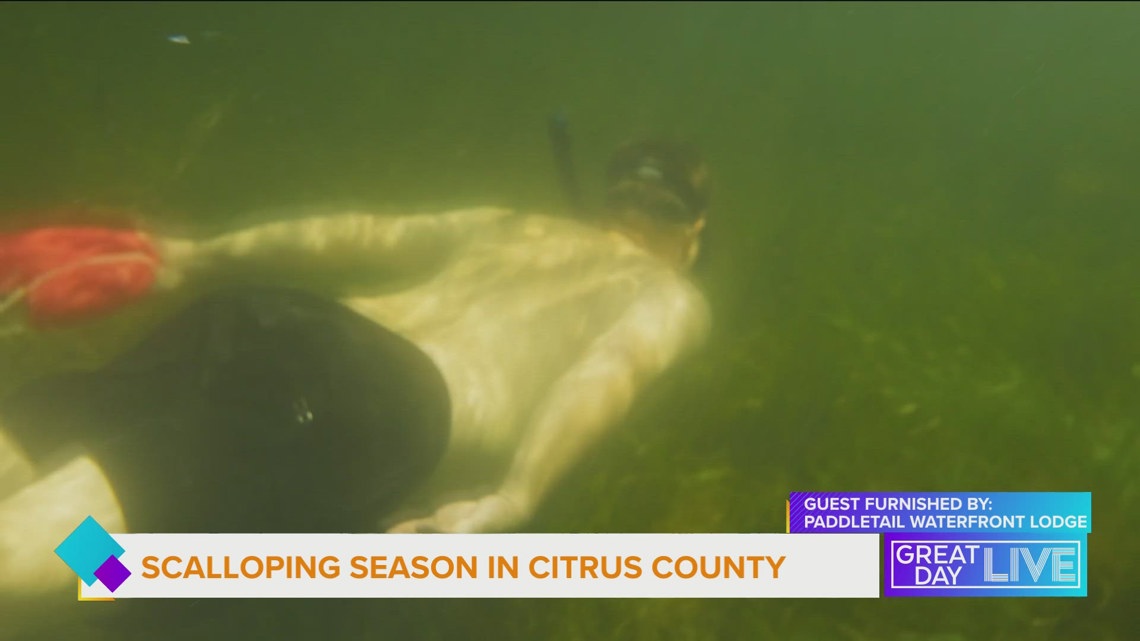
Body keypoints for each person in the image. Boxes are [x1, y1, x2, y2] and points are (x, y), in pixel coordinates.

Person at [0, 139, 712, 592]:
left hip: (265, 317)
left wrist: (193, 257)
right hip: (366, 395)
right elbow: (609, 370)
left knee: (67, 424)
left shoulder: (515, 226)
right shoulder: (668, 294)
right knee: (133, 510)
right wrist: (516, 496)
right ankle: (71, 558)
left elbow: (354, 235)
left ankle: (70, 558)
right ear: (692, 232)